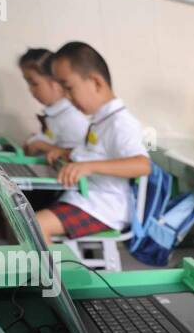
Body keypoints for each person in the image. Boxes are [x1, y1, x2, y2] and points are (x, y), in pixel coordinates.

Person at [35, 42, 149, 241]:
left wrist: (88, 166)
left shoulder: (120, 122)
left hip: (104, 207)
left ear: (96, 83)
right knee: (21, 213)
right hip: (86, 198)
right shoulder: (99, 119)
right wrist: (66, 154)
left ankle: (52, 273)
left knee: (36, 225)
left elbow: (142, 165)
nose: (67, 97)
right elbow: (97, 152)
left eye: (69, 88)